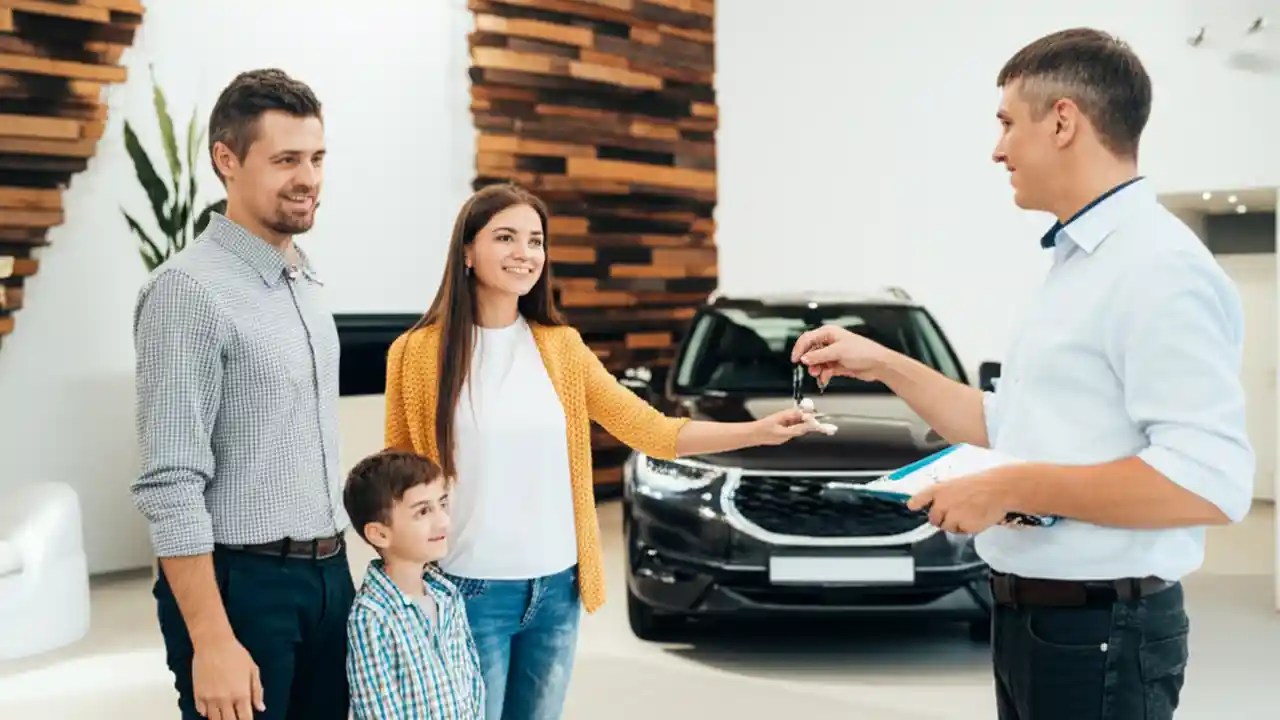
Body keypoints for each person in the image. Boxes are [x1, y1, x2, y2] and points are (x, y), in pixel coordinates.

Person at [792, 28, 1253, 720]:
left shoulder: (1158, 267)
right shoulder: (1081, 263)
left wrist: (1011, 487)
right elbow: (1003, 425)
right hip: (1038, 621)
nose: (998, 148)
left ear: (1063, 121)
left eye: (1007, 123)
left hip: (1102, 631)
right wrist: (883, 363)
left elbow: (1210, 481)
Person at [383, 182, 822, 719]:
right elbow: (398, 478)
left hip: (556, 589)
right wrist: (403, 581)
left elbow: (650, 430)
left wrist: (757, 432)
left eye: (536, 240)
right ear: (468, 252)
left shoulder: (561, 347)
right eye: (505, 237)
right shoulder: (417, 354)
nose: (525, 253)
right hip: (467, 587)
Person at [132, 68, 353, 720]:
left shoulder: (303, 281)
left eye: (316, 158)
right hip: (243, 588)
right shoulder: (187, 291)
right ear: (226, 160)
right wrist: (212, 640)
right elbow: (170, 482)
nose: (308, 178)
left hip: (329, 576)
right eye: (286, 160)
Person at [344, 449, 485, 720]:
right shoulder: (372, 617)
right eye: (423, 511)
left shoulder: (447, 596)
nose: (443, 521)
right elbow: (378, 712)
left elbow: (473, 685)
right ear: (379, 534)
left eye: (442, 504)